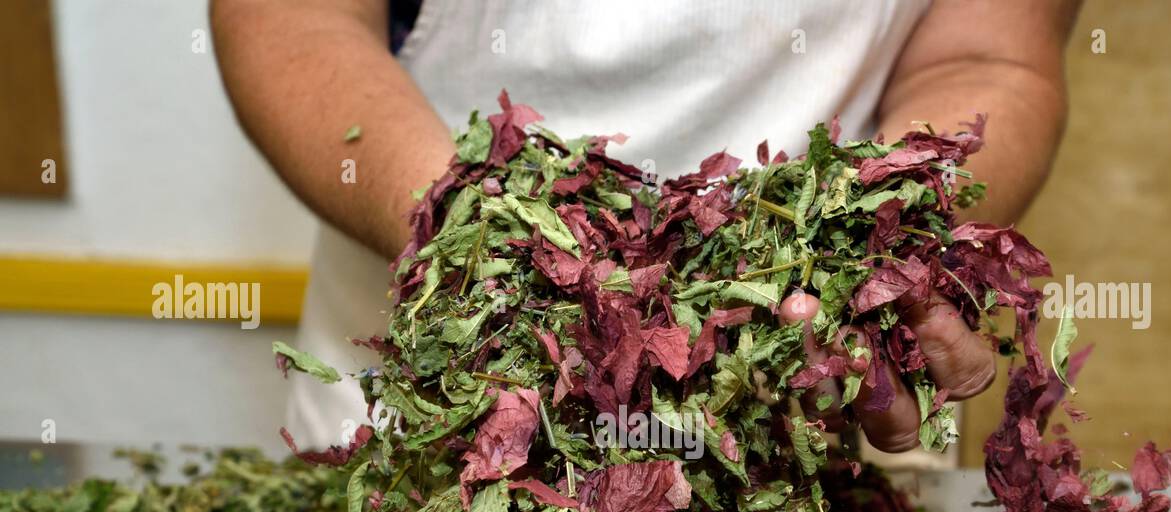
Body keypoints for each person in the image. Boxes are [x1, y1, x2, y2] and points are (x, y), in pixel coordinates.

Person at [212, 0, 1079, 453]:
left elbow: (987, 57)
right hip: (433, 380)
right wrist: (468, 224)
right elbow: (297, 15)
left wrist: (875, 248)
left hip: (803, 395)